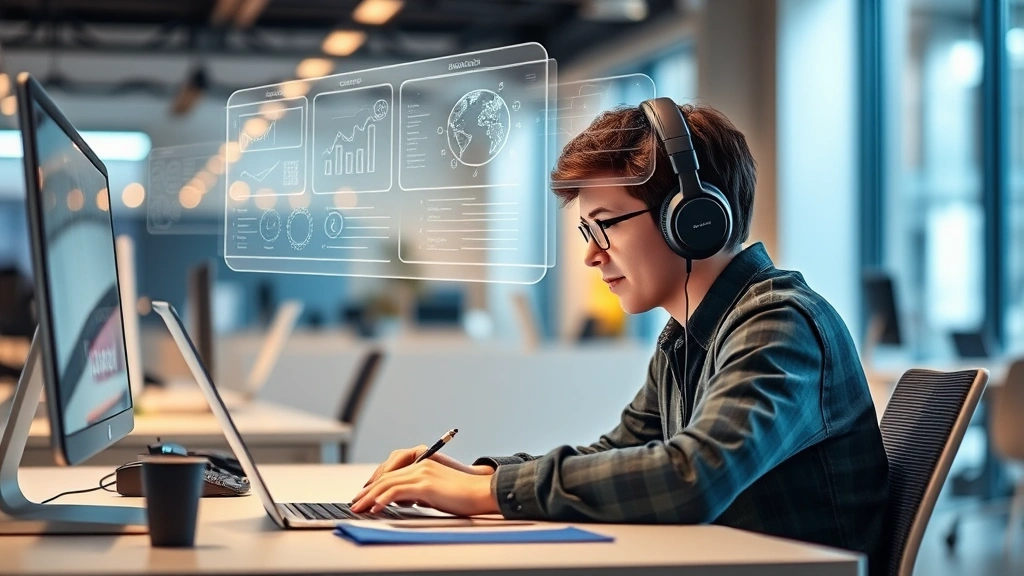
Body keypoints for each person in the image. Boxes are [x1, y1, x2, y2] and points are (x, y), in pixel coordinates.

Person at [351, 98, 889, 575]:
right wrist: (479, 475)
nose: (590, 254)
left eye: (604, 224)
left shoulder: (778, 323)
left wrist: (488, 493)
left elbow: (693, 477)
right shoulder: (684, 337)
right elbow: (620, 451)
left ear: (691, 217)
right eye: (587, 231)